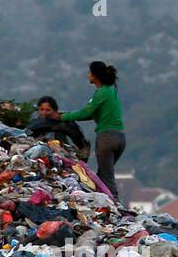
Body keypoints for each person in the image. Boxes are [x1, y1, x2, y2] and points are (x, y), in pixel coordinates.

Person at [52, 61, 126, 201]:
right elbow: (92, 114)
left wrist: (62, 117)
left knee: (106, 174)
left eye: (89, 73)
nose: (87, 75)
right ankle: (105, 199)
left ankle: (113, 203)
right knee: (104, 173)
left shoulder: (101, 93)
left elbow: (86, 113)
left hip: (107, 138)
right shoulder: (111, 90)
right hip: (120, 137)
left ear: (95, 75)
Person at [25, 96, 90, 161]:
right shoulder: (34, 124)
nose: (44, 112)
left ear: (55, 111)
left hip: (61, 155)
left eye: (48, 110)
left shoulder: (63, 124)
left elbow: (78, 139)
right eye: (41, 109)